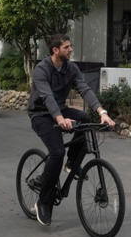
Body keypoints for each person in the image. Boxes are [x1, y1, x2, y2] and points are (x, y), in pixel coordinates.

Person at [27, 34, 115, 226]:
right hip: (41, 114)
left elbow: (85, 89)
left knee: (85, 119)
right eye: (66, 47)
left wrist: (102, 112)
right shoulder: (42, 69)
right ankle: (44, 202)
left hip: (60, 109)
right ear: (55, 50)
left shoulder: (71, 68)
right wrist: (60, 119)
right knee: (57, 151)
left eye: (70, 46)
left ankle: (72, 162)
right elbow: (47, 97)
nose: (71, 49)